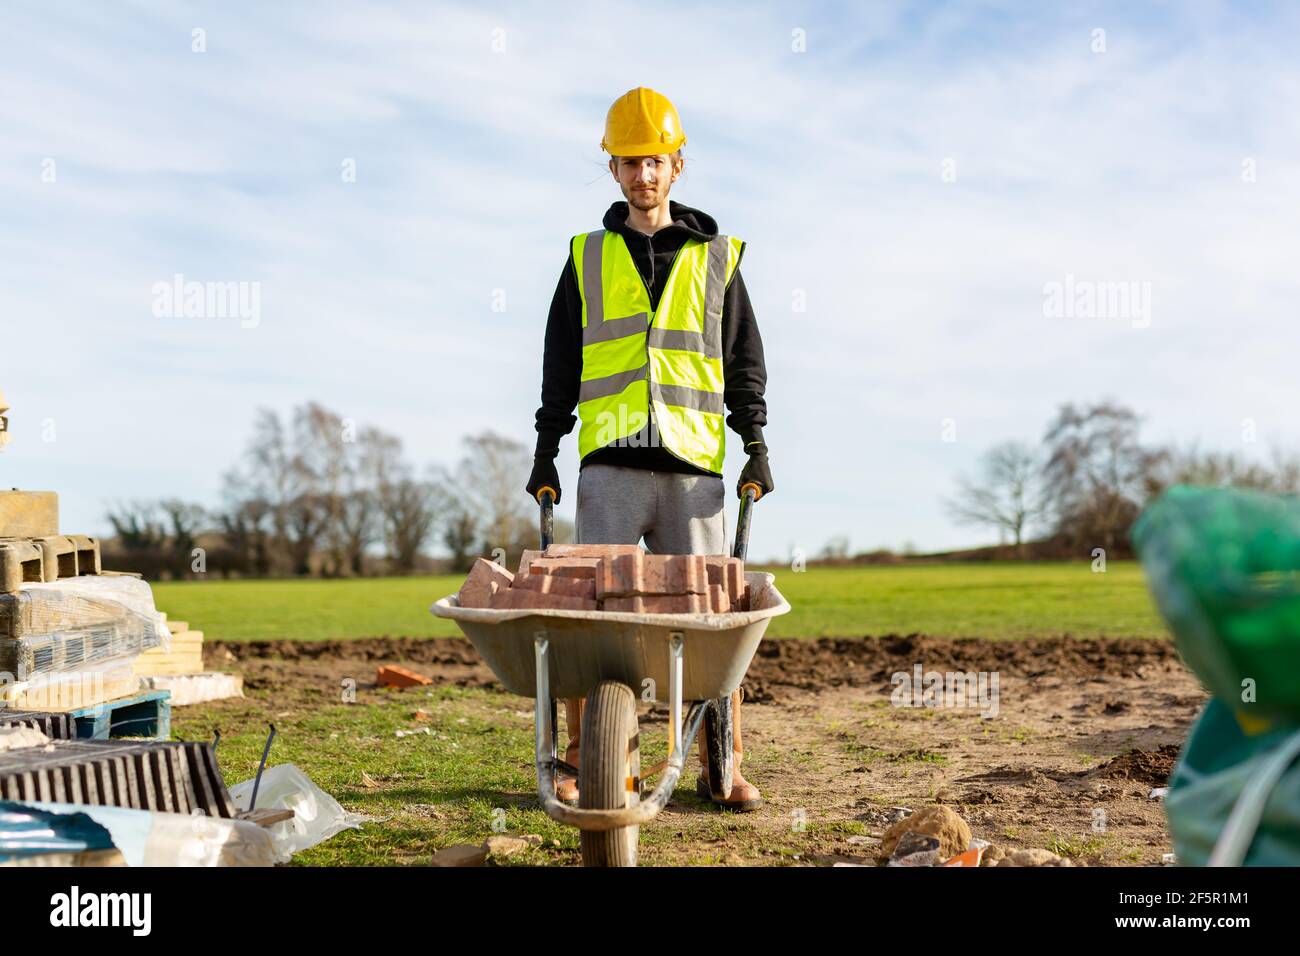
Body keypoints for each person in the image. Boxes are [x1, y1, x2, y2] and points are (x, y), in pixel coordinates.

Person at [526, 87, 774, 810]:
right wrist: (546, 451)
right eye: (630, 163)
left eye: (656, 162)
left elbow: (744, 365)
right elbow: (559, 366)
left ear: (678, 165)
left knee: (709, 624)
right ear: (613, 170)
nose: (644, 176)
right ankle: (585, 758)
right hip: (609, 467)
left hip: (693, 471)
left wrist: (754, 443)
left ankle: (720, 766)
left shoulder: (717, 260)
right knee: (591, 619)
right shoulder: (587, 258)